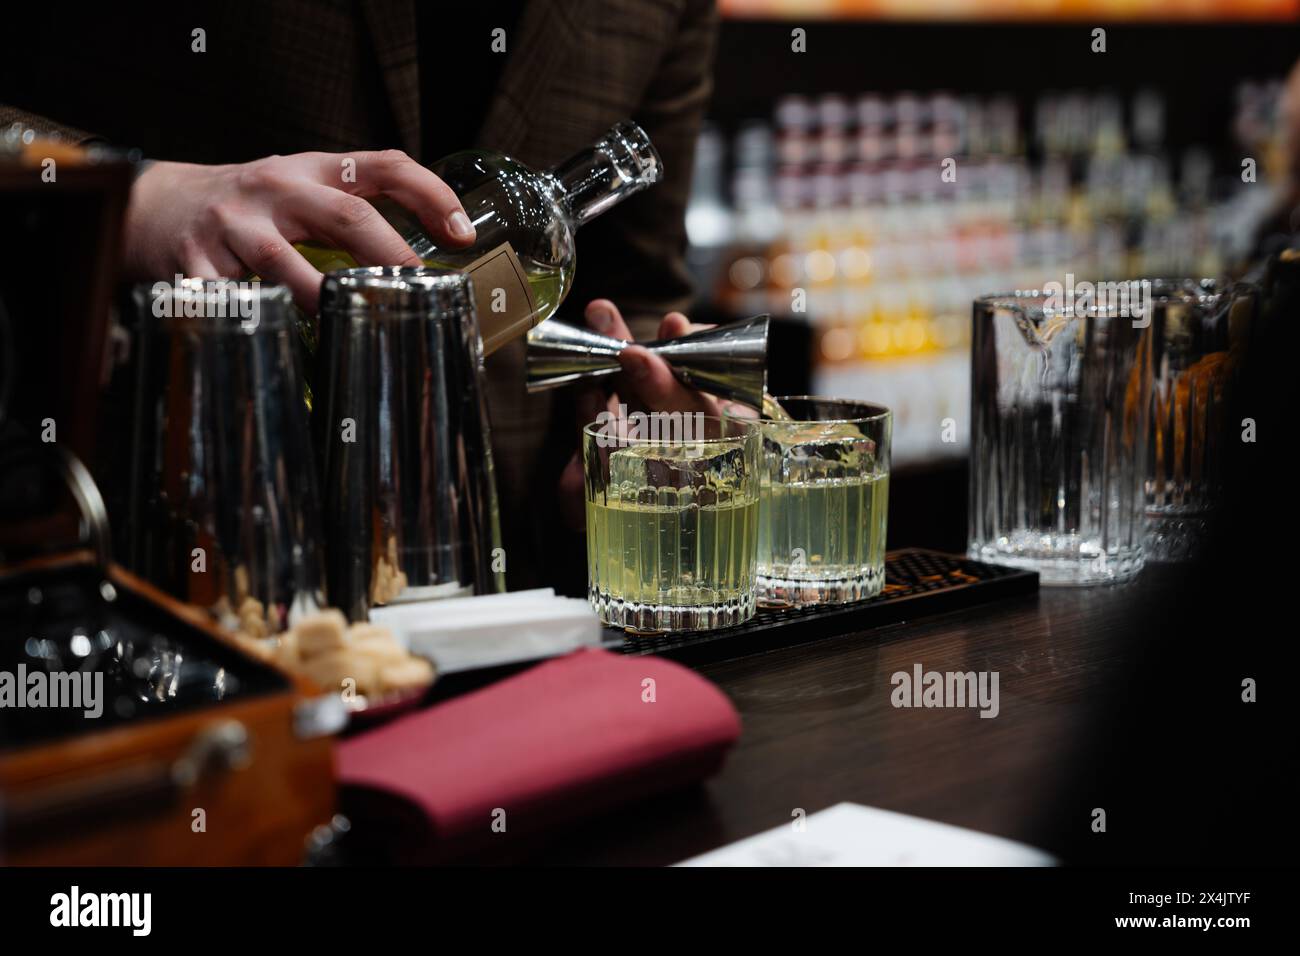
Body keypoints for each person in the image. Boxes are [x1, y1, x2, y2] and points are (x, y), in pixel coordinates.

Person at [1, 0, 720, 591]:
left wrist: (642, 422)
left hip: (491, 596)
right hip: (150, 547)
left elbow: (638, 295)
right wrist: (130, 194)